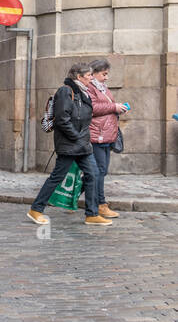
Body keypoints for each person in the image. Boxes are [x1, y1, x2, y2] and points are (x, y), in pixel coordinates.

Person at [27, 63, 112, 226]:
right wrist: (76, 136)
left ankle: (92, 214)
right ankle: (36, 210)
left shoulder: (84, 93)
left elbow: (84, 119)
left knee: (93, 174)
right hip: (69, 145)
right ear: (79, 77)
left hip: (83, 145)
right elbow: (62, 119)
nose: (91, 78)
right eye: (89, 76)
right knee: (57, 177)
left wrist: (83, 139)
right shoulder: (66, 91)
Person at [84, 58, 130, 218]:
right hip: (96, 135)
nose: (106, 77)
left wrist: (118, 109)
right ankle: (100, 204)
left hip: (106, 135)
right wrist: (113, 107)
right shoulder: (90, 88)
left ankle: (90, 200)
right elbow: (93, 108)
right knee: (99, 171)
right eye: (104, 74)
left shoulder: (103, 88)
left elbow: (105, 108)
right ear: (94, 73)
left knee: (99, 171)